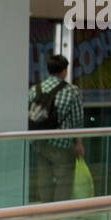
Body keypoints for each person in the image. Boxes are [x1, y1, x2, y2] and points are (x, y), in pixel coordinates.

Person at [28, 54, 84, 203]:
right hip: (62, 143)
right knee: (64, 178)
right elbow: (77, 120)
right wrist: (79, 143)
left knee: (44, 176)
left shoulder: (35, 89)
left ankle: (46, 208)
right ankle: (60, 211)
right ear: (65, 71)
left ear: (49, 70)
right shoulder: (72, 90)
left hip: (39, 142)